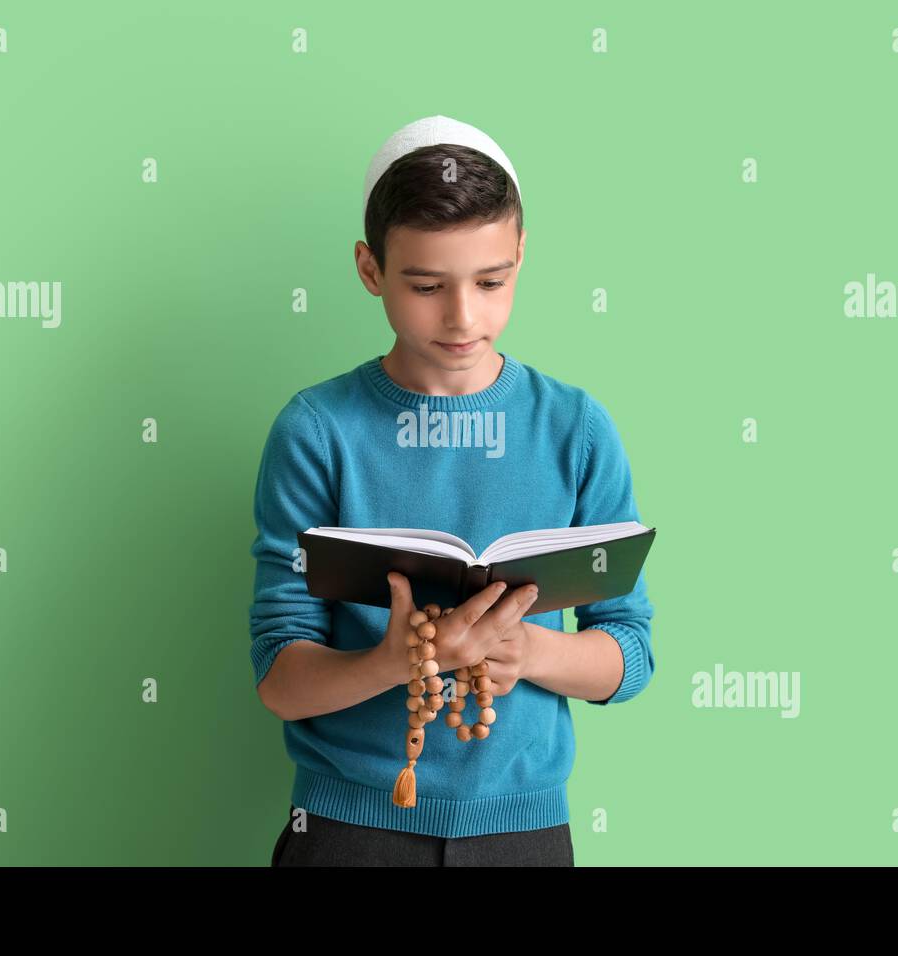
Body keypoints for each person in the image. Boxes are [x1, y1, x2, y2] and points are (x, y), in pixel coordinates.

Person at [249, 115, 654, 866]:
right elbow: (280, 675)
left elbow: (630, 652)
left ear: (521, 255)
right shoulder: (316, 431)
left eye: (492, 281)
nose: (464, 317)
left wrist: (525, 650)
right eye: (427, 285)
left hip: (524, 834)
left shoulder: (576, 428)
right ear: (370, 271)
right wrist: (395, 660)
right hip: (348, 831)